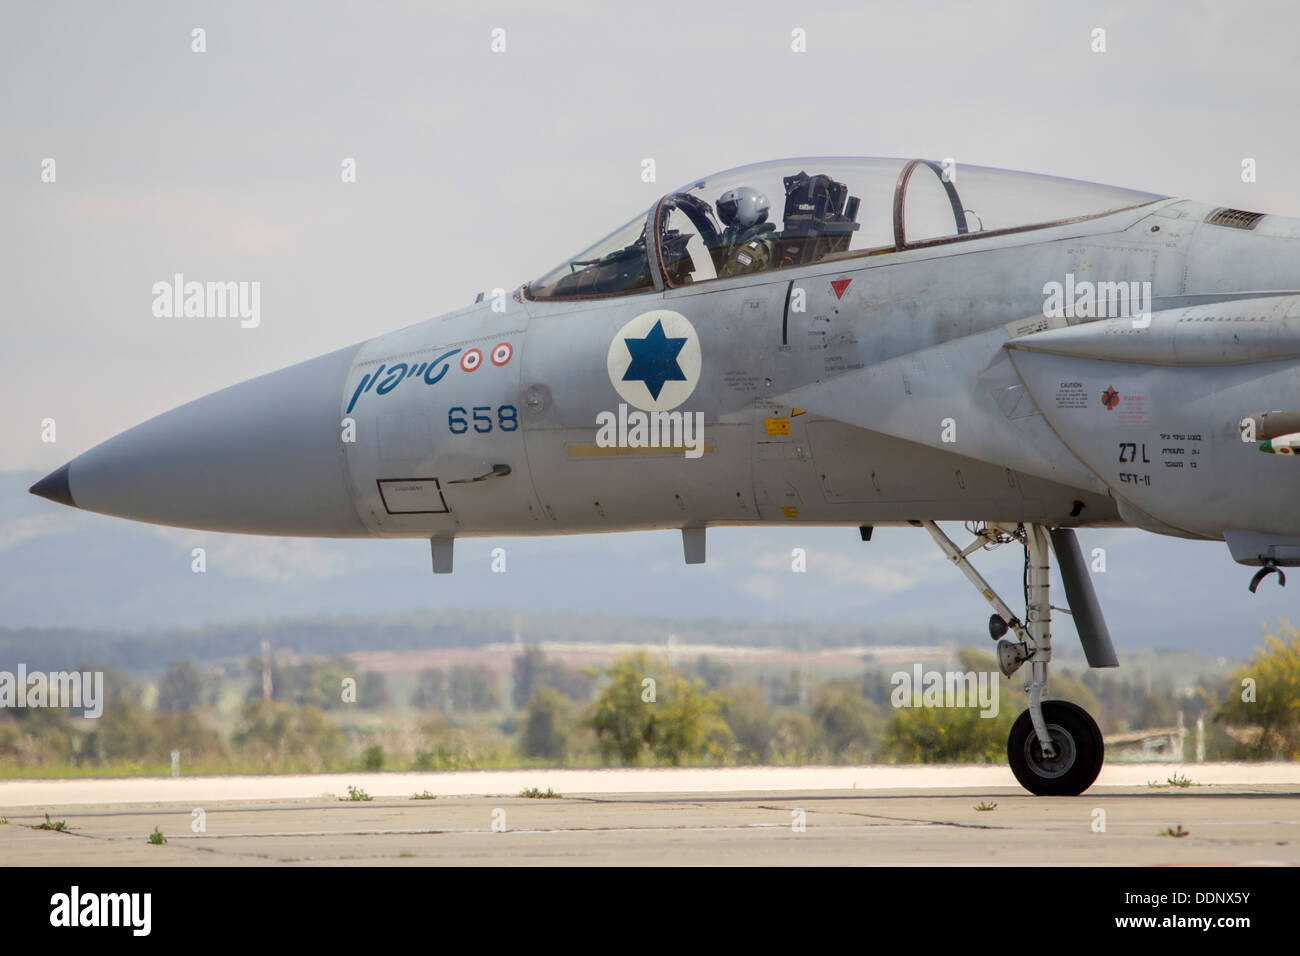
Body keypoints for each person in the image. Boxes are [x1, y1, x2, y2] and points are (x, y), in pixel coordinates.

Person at [716, 187, 776, 278]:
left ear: (747, 208)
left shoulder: (748, 251)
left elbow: (724, 283)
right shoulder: (765, 238)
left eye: (732, 216)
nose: (731, 226)